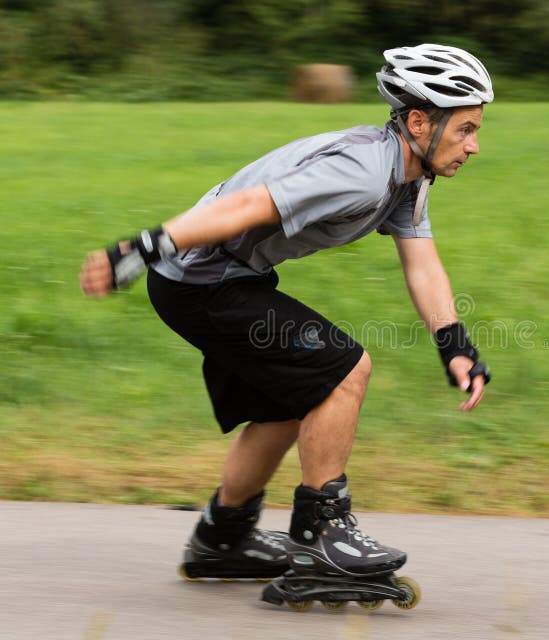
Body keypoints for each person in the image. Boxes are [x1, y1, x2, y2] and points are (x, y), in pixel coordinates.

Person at [80, 43, 493, 583]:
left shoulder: (406, 176)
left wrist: (454, 345)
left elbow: (422, 263)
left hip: (220, 279)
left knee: (284, 408)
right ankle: (322, 534)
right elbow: (248, 205)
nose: (474, 145)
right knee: (342, 370)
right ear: (419, 123)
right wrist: (142, 247)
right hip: (201, 282)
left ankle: (221, 538)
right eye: (465, 129)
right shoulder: (364, 171)